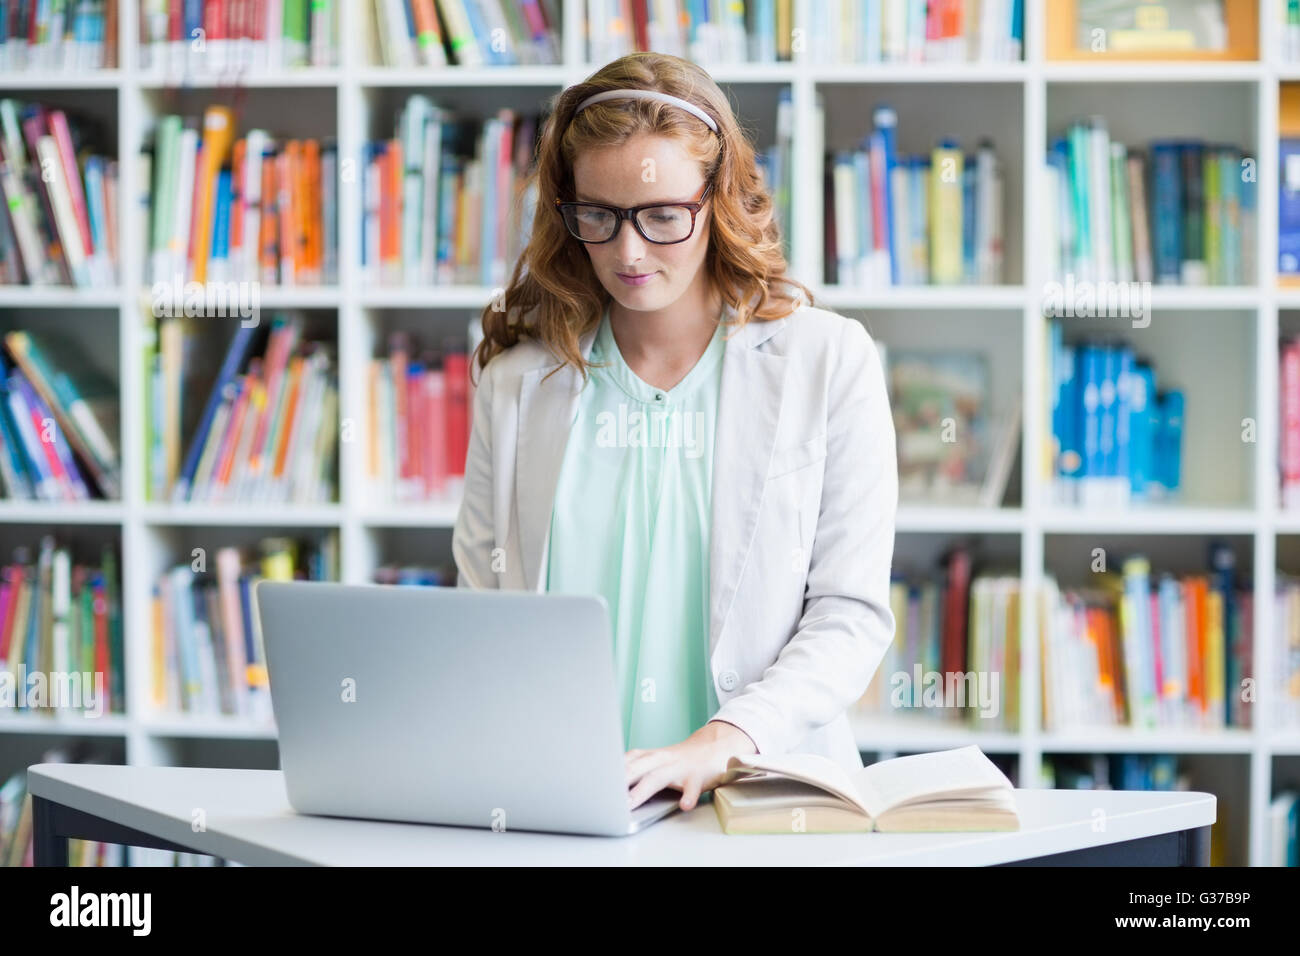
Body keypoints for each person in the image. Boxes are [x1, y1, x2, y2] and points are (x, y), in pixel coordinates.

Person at [452, 52, 898, 814]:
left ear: (717, 200)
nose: (627, 253)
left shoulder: (826, 360)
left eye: (662, 216)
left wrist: (723, 738)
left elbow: (849, 615)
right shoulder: (517, 385)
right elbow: (484, 616)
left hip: (765, 802)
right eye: (598, 215)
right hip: (570, 808)